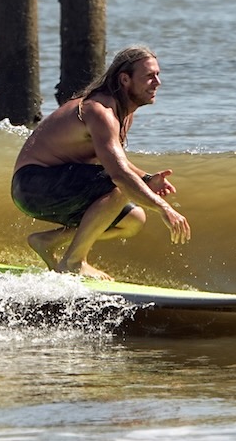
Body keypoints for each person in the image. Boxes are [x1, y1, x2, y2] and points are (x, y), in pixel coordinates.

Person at [10, 44, 191, 279]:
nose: (157, 82)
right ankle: (74, 261)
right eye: (149, 76)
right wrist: (163, 208)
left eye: (158, 75)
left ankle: (47, 240)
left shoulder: (123, 113)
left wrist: (147, 179)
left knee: (133, 220)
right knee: (122, 185)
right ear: (125, 79)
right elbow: (119, 174)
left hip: (53, 184)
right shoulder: (100, 111)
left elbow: (113, 159)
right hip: (33, 184)